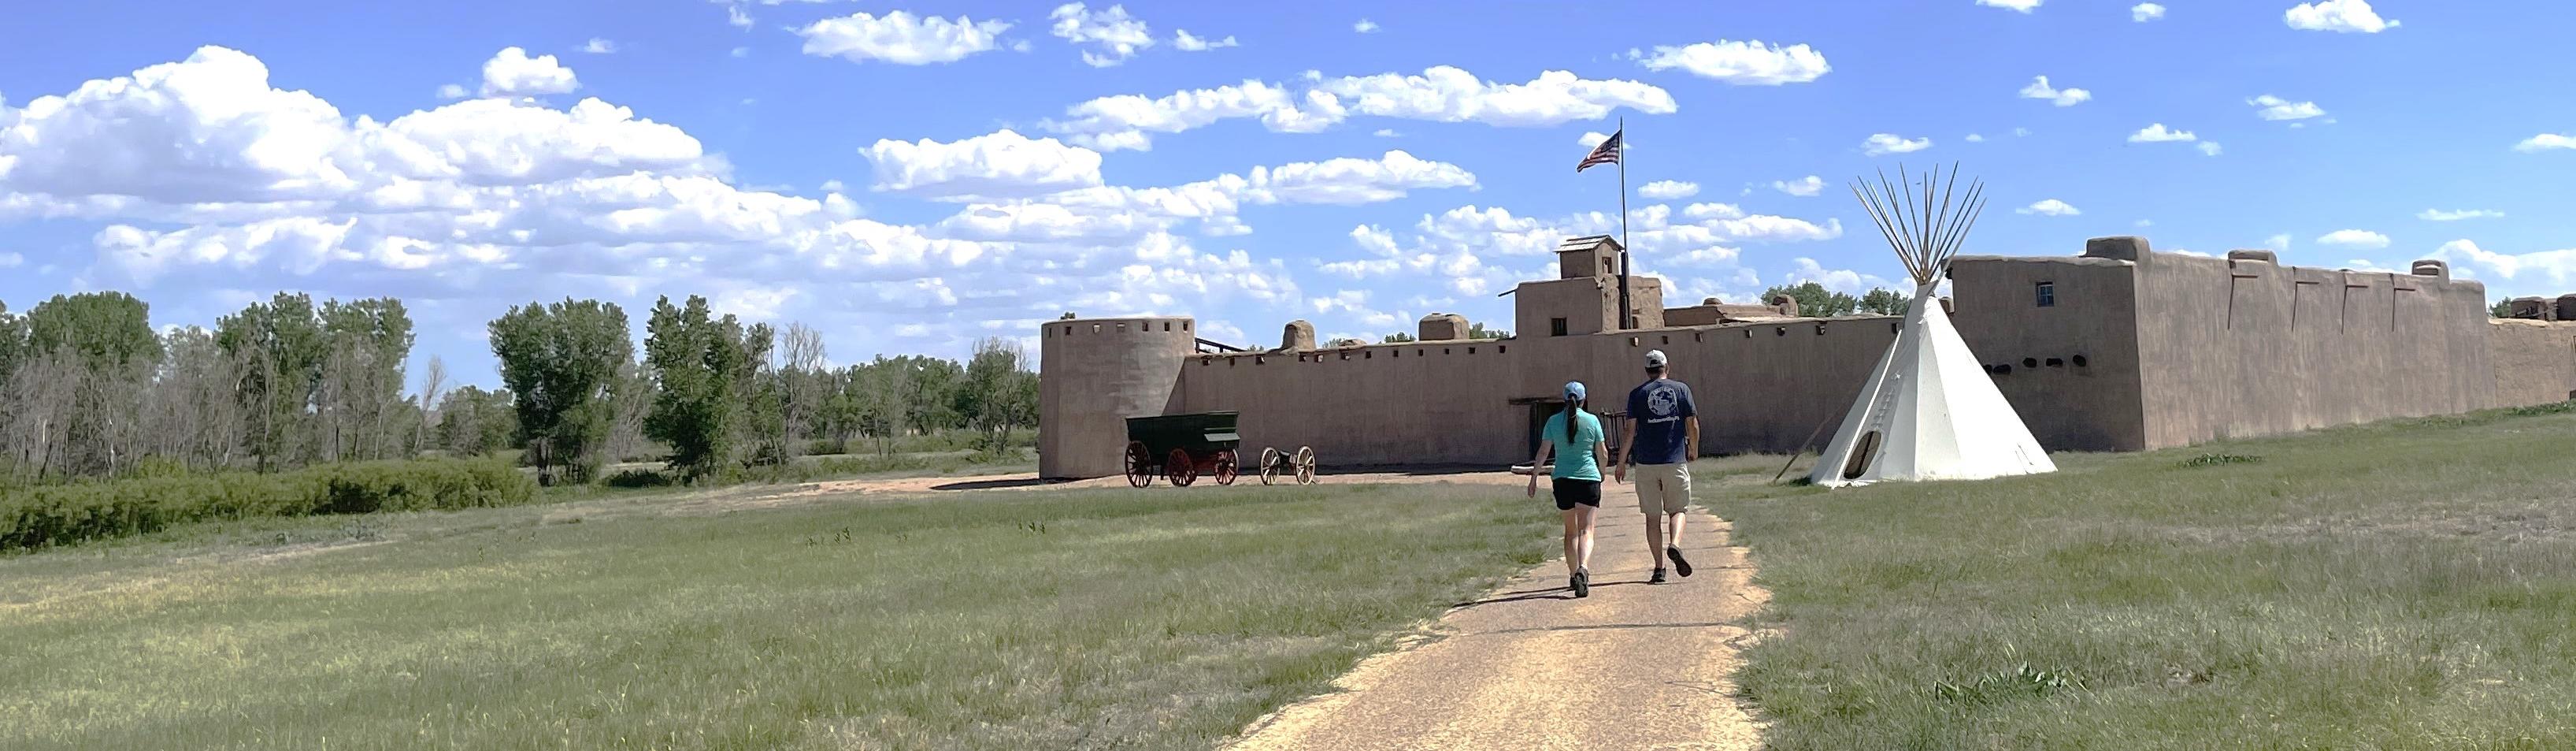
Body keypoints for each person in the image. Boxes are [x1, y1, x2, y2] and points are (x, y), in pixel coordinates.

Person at [1614, 349, 1699, 584]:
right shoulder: (1681, 390)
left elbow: (1630, 431)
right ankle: (1675, 544)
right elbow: (1692, 423)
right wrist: (1693, 448)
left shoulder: (1637, 394)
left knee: (1652, 518)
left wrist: (1620, 463)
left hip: (1646, 463)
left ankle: (1659, 569)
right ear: (1666, 368)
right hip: (1674, 461)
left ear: (1646, 371)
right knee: (1678, 509)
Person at [1528, 380, 1609, 597]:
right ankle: (1584, 567)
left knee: (1570, 531)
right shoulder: (1592, 421)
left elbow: (1543, 452)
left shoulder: (1553, 421)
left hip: (1562, 480)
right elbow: (1603, 453)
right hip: (1587, 479)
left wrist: (1534, 478)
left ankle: (1574, 575)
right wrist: (1602, 472)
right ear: (1584, 400)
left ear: (1564, 400)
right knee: (1587, 530)